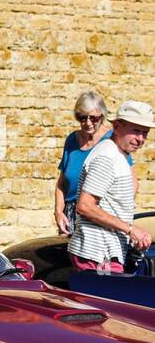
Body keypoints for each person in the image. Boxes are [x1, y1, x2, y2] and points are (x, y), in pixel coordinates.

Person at [69, 99, 153, 274]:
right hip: (96, 253)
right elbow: (85, 206)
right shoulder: (106, 157)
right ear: (117, 127)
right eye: (136, 131)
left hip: (105, 251)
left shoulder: (118, 154)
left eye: (145, 133)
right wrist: (131, 230)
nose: (140, 139)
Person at [56, 91, 121, 235]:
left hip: (100, 213)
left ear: (102, 116)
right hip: (71, 215)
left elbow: (131, 182)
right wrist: (59, 212)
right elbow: (62, 184)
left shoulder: (113, 141)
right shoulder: (72, 141)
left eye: (93, 118)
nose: (88, 123)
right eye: (82, 118)